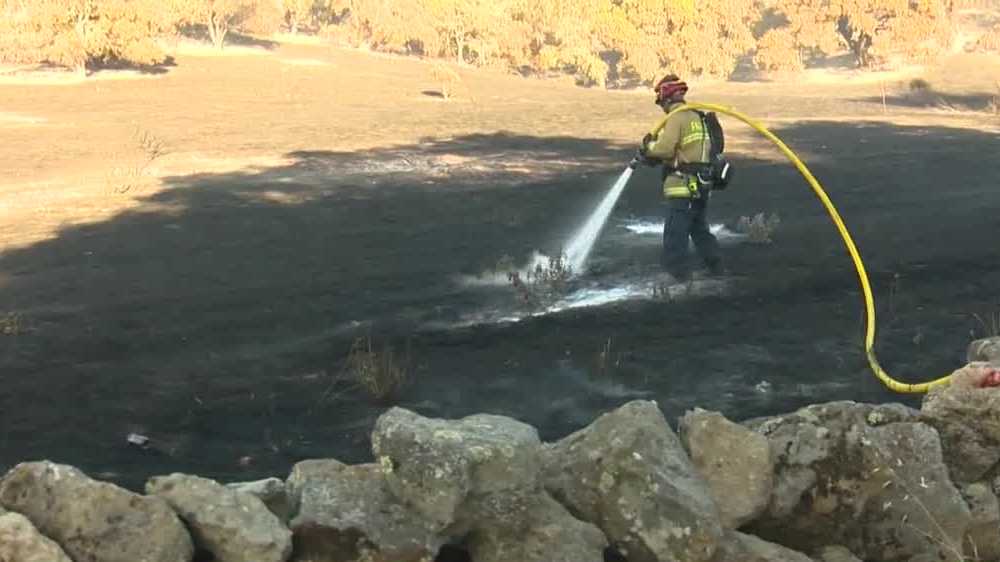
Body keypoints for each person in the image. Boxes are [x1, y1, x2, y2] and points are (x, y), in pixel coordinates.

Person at [632, 74, 725, 281]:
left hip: (682, 185)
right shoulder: (697, 117)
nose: (662, 107)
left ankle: (677, 275)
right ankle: (716, 266)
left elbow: (665, 149)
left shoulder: (676, 117)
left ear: (666, 97)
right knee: (699, 229)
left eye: (661, 102)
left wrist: (648, 148)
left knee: (675, 231)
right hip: (702, 184)